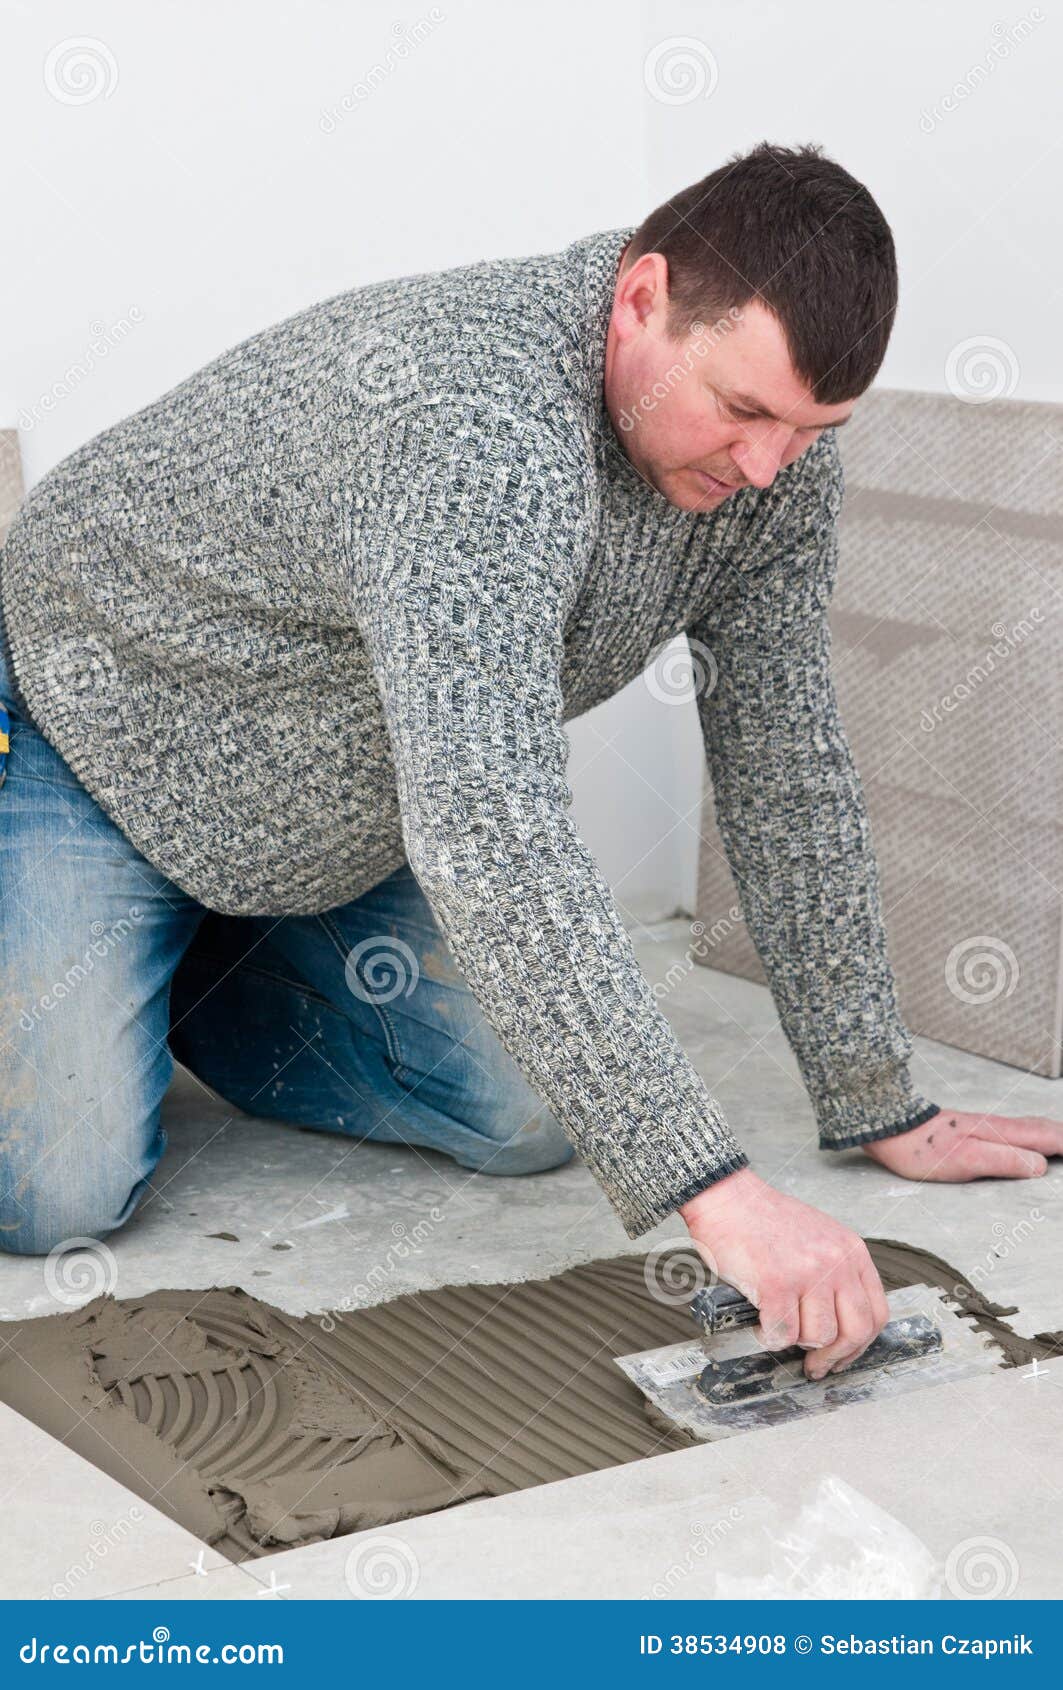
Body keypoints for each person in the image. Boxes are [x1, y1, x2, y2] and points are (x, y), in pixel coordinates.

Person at [2, 141, 1058, 1383]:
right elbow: (486, 824)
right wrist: (718, 1193)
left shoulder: (777, 470)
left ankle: (187, 966)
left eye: (809, 428)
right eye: (744, 410)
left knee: (538, 1116)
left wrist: (874, 1088)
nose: (769, 465)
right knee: (54, 1191)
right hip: (82, 727)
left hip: (308, 815)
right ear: (641, 300)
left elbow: (785, 759)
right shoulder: (479, 431)